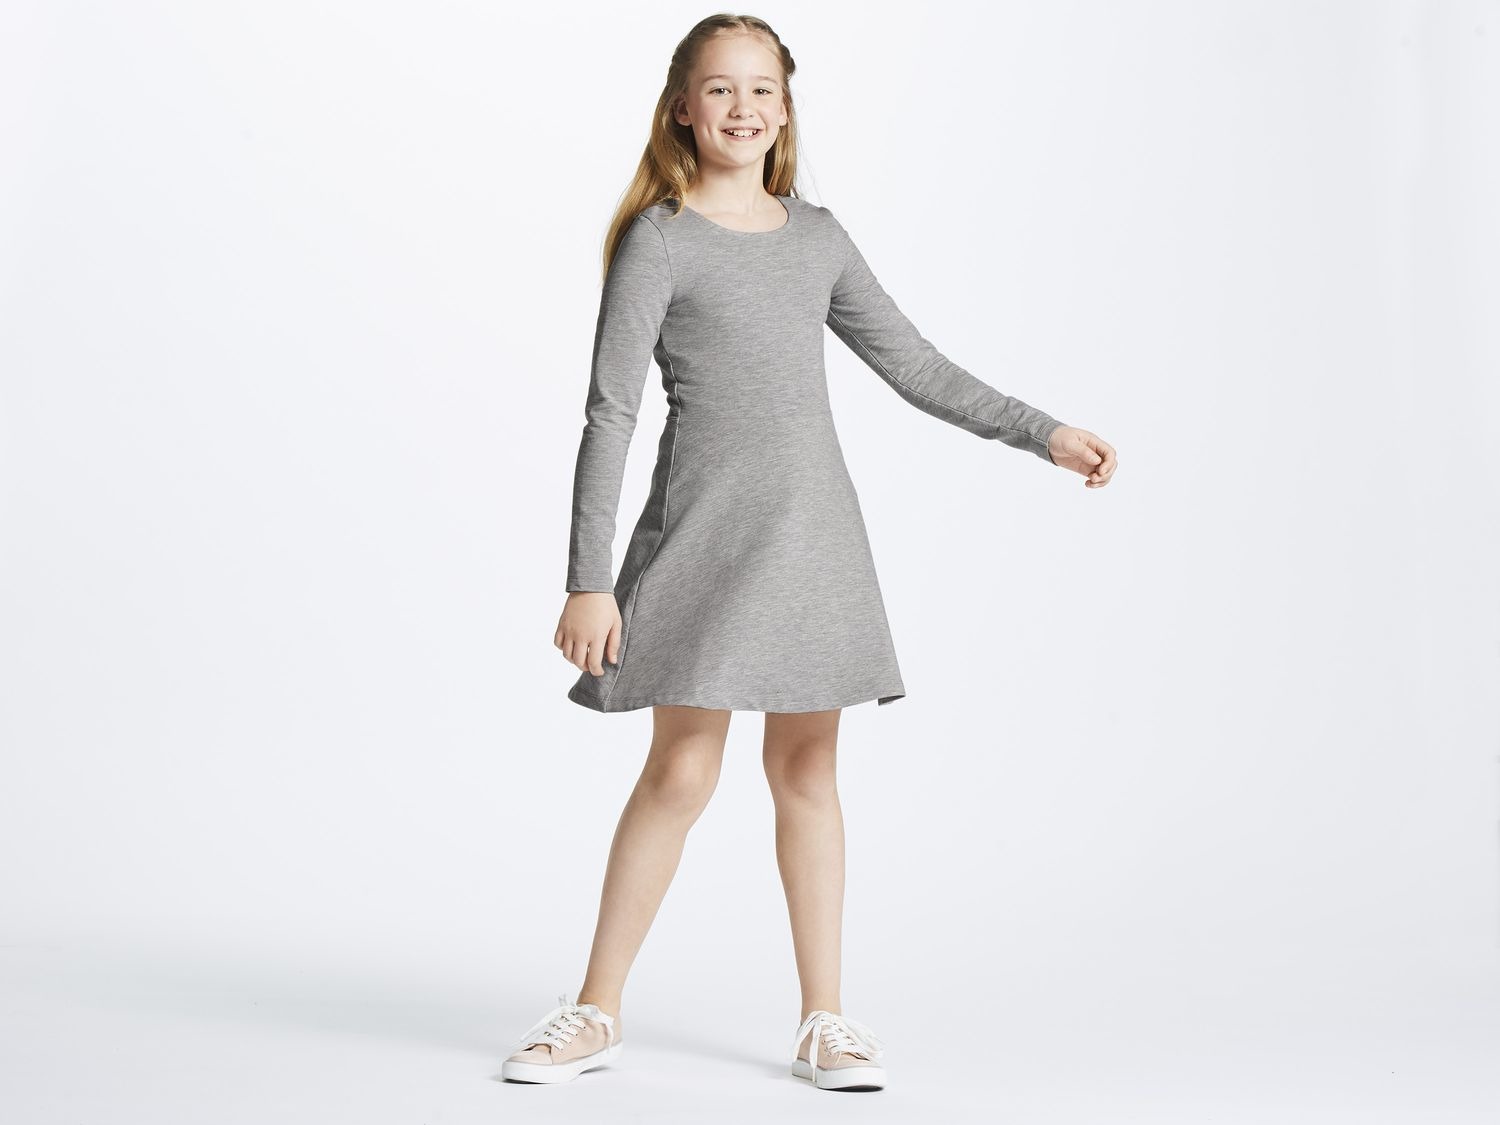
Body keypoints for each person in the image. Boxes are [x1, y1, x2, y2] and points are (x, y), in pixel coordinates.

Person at [501, 13, 1117, 1092]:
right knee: (681, 771)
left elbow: (917, 366)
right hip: (702, 537)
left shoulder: (818, 239)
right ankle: (595, 1010)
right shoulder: (660, 239)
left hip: (812, 540)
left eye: (762, 90)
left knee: (807, 771)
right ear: (682, 107)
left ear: (786, 109)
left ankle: (824, 1020)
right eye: (720, 88)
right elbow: (611, 413)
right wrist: (588, 578)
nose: (742, 108)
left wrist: (1044, 432)